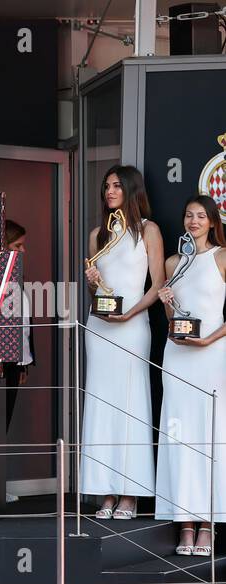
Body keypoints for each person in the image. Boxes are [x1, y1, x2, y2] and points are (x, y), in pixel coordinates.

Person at [81, 165, 164, 520]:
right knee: (102, 405)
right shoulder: (96, 234)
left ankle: (130, 493)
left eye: (116, 185)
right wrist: (92, 281)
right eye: (106, 186)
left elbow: (159, 285)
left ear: (131, 190)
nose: (110, 191)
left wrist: (130, 315)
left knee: (131, 406)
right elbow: (96, 291)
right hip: (99, 328)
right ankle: (106, 490)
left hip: (132, 328)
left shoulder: (149, 230)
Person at [154, 194, 226, 557]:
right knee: (179, 436)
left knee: (210, 435)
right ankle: (184, 522)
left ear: (213, 221)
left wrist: (210, 339)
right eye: (188, 215)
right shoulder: (172, 263)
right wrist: (166, 303)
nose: (194, 221)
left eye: (201, 216)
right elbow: (174, 322)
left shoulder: (223, 257)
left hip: (211, 357)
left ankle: (209, 524)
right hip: (178, 357)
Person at [2, 220, 37, 430]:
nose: (23, 250)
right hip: (0, 363)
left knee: (3, 422)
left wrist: (23, 363)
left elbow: (23, 324)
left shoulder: (16, 275)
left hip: (15, 362)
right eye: (17, 246)